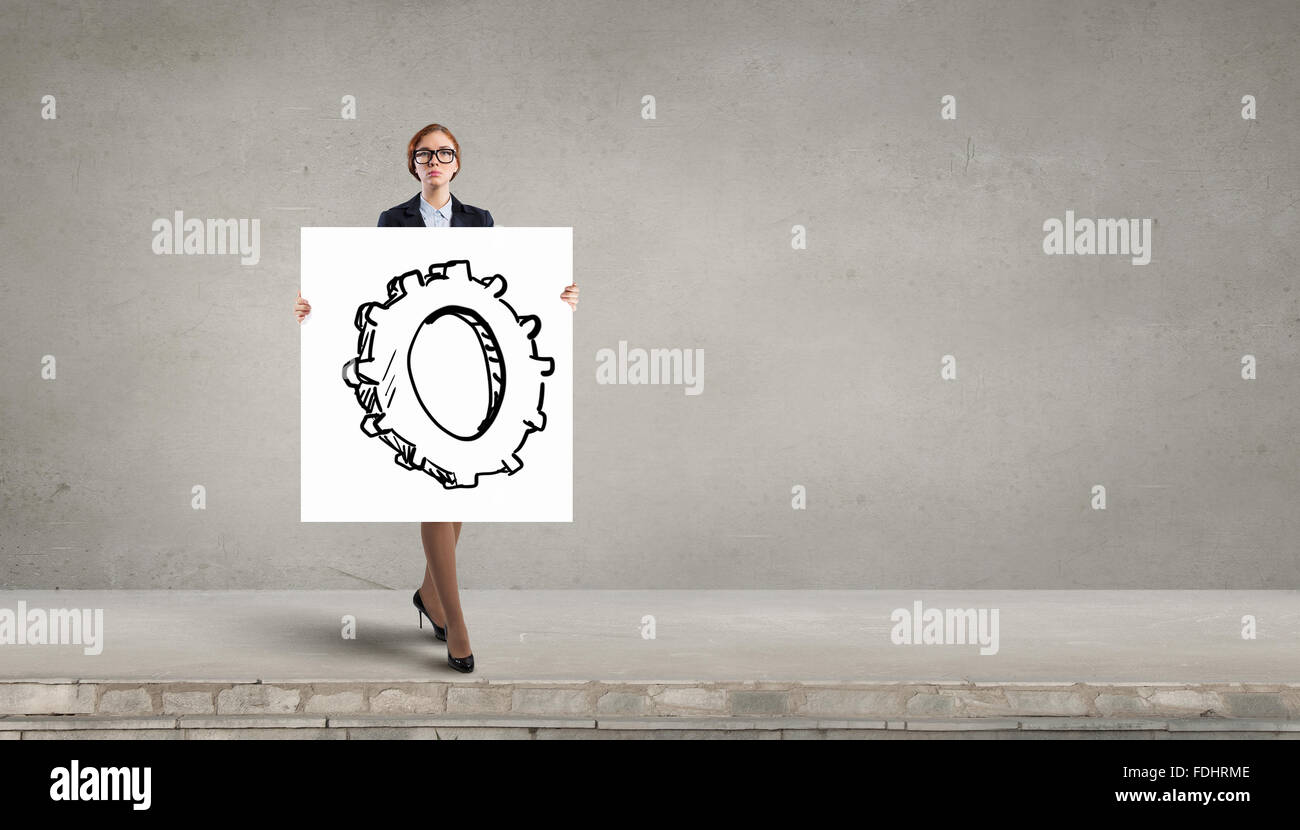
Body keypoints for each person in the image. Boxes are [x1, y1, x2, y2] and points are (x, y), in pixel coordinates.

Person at [294, 123, 579, 673]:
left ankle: (428, 594)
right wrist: (318, 307)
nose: (434, 162)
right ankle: (457, 623)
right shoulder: (391, 222)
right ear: (413, 164)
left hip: (468, 363)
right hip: (411, 363)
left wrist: (556, 295)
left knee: (464, 485)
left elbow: (507, 283)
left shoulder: (481, 221)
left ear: (457, 163)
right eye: (424, 154)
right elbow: (365, 287)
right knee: (435, 492)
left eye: (444, 153)